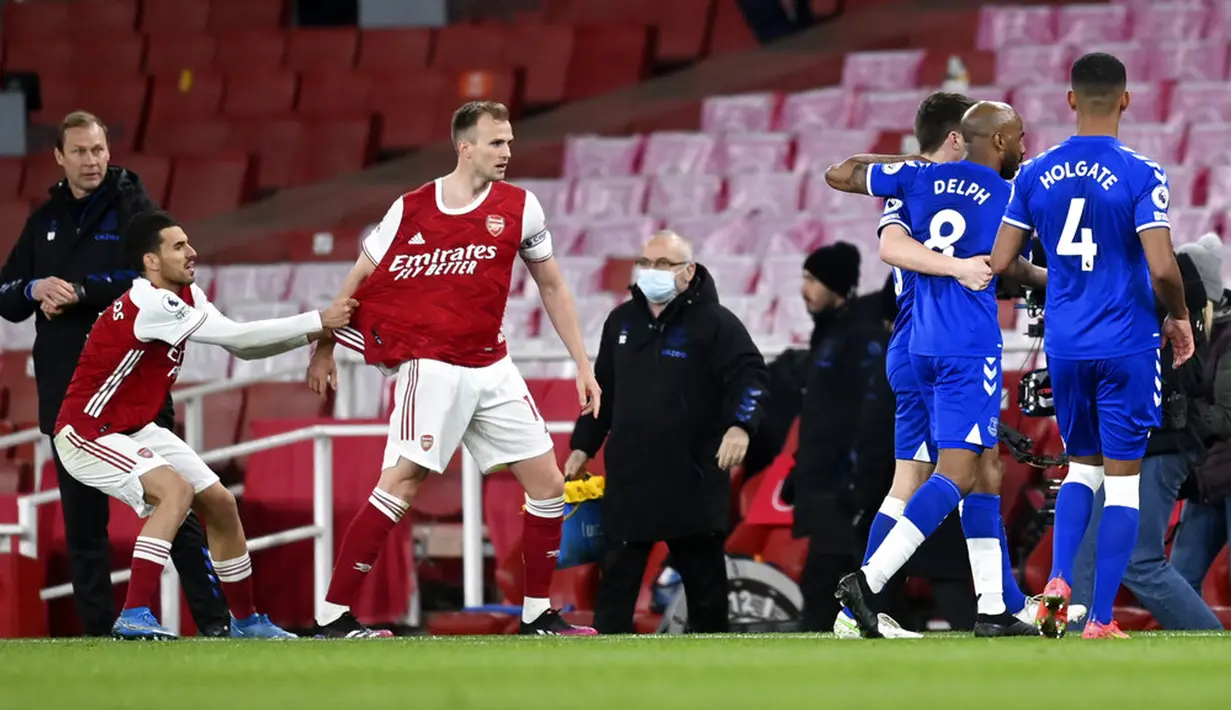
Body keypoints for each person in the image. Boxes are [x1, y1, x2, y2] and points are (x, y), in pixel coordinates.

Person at [307, 101, 600, 638]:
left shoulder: (521, 207)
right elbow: (359, 278)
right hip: (432, 366)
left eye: (510, 141)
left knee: (549, 484)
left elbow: (552, 286)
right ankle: (332, 614)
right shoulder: (412, 207)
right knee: (403, 482)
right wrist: (325, 347)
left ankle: (537, 614)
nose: (507, 152)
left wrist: (584, 363)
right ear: (465, 147)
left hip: (493, 364)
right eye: (496, 142)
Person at [830, 92, 1072, 637]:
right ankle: (865, 589)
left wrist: (902, 165)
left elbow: (841, 176)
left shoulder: (912, 184)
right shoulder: (1008, 192)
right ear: (977, 139)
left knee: (964, 470)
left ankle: (996, 605)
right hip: (963, 342)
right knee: (957, 473)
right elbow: (1009, 269)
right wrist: (1063, 285)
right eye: (1020, 139)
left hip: (913, 341)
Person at [52, 210, 353, 639]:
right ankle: (133, 613)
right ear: (150, 262)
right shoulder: (151, 303)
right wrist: (319, 321)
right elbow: (239, 339)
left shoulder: (186, 295)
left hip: (133, 426)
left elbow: (242, 347)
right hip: (86, 432)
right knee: (176, 490)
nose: (192, 252)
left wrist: (313, 333)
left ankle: (246, 622)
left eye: (188, 242)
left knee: (220, 503)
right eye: (177, 246)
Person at [0, 111, 229, 637]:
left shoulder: (132, 206)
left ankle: (216, 624)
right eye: (79, 152)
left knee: (180, 505)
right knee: (83, 525)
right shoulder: (44, 220)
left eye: (98, 150)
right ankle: (102, 633)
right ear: (59, 157)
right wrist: (35, 288)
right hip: (68, 393)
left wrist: (80, 290)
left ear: (109, 150)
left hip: (133, 390)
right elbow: (6, 293)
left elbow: (150, 276)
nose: (91, 161)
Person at [991, 52, 1194, 639]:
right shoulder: (1141, 172)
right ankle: (1100, 617)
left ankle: (1057, 581)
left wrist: (1055, 282)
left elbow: (1005, 264)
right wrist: (1178, 316)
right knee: (1124, 480)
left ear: (1071, 99)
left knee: (1081, 468)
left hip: (1067, 344)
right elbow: (1161, 267)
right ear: (1125, 100)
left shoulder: (1034, 174)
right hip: (1127, 343)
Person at [564, 230, 768, 634]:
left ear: (688, 272)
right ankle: (604, 680)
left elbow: (751, 377)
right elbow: (602, 389)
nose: (651, 272)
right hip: (631, 480)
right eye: (645, 263)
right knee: (615, 594)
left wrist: (740, 427)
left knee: (707, 596)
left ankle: (712, 678)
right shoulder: (620, 322)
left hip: (692, 479)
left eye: (663, 264)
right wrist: (582, 446)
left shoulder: (717, 323)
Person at [1069, 241, 1223, 629]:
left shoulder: (1163, 319)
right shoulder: (1159, 311)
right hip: (1141, 444)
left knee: (1139, 560)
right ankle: (1077, 634)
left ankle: (1213, 640)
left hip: (1158, 445)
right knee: (1087, 551)